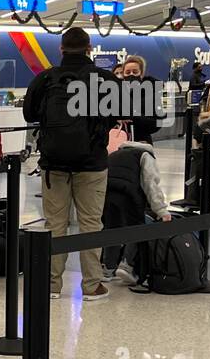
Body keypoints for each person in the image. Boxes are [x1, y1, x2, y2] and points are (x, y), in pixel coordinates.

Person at [22, 26, 113, 301]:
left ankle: (51, 284)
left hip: (54, 164)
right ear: (90, 48)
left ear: (61, 49)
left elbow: (29, 114)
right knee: (90, 223)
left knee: (55, 223)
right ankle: (92, 285)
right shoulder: (105, 79)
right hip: (93, 163)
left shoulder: (46, 79)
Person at [102, 127, 171, 282]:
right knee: (136, 228)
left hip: (106, 193)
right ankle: (127, 264)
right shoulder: (145, 155)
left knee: (111, 229)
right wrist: (161, 210)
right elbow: (150, 184)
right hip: (128, 195)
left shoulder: (115, 154)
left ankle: (108, 268)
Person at [120, 54, 159, 143]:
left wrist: (134, 116)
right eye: (128, 72)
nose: (131, 74)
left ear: (141, 73)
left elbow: (155, 124)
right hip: (118, 142)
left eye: (135, 71)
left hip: (141, 143)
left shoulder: (150, 94)